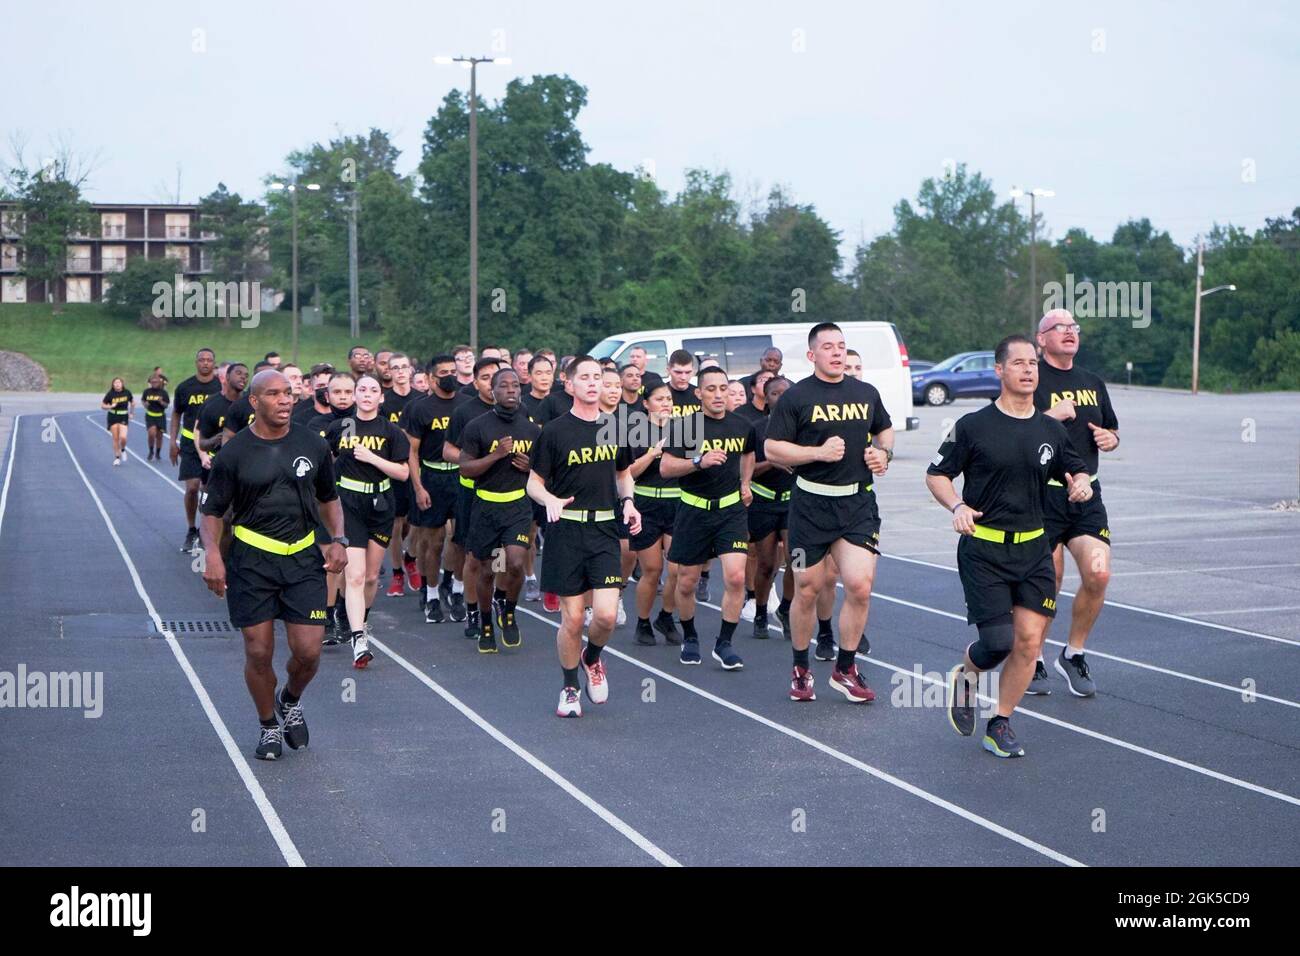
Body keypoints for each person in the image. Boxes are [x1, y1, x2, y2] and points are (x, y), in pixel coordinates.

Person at [927, 334, 1092, 758]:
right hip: (984, 550)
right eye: (1018, 363)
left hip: (1035, 550)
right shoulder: (972, 426)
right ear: (999, 370)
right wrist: (958, 505)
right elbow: (936, 474)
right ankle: (966, 675)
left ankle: (999, 722)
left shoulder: (1051, 429)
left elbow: (1076, 470)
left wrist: (1081, 485)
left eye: (1032, 363)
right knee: (999, 642)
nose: (1028, 370)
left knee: (1029, 642)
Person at [199, 369, 347, 760]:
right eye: (274, 394)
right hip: (252, 560)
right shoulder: (234, 453)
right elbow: (211, 512)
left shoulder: (312, 444)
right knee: (259, 651)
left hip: (303, 558)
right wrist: (212, 554)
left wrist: (338, 540)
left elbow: (329, 498)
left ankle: (290, 699)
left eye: (288, 393)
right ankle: (267, 725)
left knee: (309, 652)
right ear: (254, 401)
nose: (285, 400)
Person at [764, 322, 893, 704]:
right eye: (828, 347)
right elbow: (772, 448)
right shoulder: (796, 397)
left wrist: (883, 453)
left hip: (857, 504)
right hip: (809, 507)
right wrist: (817, 453)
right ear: (812, 355)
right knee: (807, 588)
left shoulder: (866, 392)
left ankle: (845, 668)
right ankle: (801, 668)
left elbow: (885, 431)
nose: (836, 352)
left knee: (860, 586)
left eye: (841, 345)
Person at [528, 355, 641, 718]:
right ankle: (569, 687)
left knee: (605, 616)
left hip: (605, 529)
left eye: (598, 377)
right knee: (573, 619)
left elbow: (623, 474)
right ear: (570, 385)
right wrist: (549, 500)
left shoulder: (615, 428)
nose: (593, 383)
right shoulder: (554, 432)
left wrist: (629, 502)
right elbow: (533, 484)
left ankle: (591, 657)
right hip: (567, 531)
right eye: (586, 378)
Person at [1029, 309, 1119, 697]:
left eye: (1073, 327)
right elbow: (1013, 431)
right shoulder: (1031, 378)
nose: (1070, 332)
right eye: (1060, 327)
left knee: (1098, 573)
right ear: (1041, 339)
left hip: (1086, 493)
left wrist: (1111, 439)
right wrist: (1052, 416)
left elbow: (1111, 427)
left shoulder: (1092, 382)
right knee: (1048, 580)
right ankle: (1032, 658)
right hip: (1042, 495)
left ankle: (1073, 653)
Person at [659, 366, 754, 669]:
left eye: (723, 388)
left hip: (731, 510)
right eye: (711, 389)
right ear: (699, 393)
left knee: (736, 577)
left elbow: (748, 453)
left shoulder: (742, 425)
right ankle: (689, 637)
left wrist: (746, 483)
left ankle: (724, 643)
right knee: (686, 582)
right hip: (693, 510)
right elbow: (666, 468)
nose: (718, 395)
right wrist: (699, 461)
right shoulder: (685, 427)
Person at [324, 373, 410, 668]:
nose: (367, 394)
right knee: (356, 576)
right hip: (348, 503)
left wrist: (372, 458)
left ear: (381, 397)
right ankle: (359, 638)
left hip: (381, 503)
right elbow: (326, 460)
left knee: (372, 577)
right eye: (362, 389)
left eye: (373, 390)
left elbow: (403, 473)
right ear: (355, 395)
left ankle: (356, 617)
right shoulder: (339, 427)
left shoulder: (392, 431)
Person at [458, 368, 540, 653]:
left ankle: (508, 610)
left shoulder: (531, 430)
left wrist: (530, 467)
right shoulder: (478, 427)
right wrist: (495, 455)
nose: (511, 390)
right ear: (492, 391)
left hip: (517, 506)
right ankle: (485, 623)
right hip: (486, 507)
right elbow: (465, 468)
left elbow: (545, 472)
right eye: (503, 385)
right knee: (488, 571)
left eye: (515, 385)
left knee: (515, 563)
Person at [443, 357, 502, 638]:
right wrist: (477, 461)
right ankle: (472, 611)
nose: (492, 383)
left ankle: (497, 600)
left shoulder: (517, 411)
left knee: (501, 555)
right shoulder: (465, 412)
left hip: (507, 493)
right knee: (473, 556)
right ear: (475, 382)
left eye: (496, 376)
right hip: (473, 492)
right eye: (485, 377)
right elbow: (447, 451)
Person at [403, 356, 463, 624]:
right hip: (432, 476)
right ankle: (431, 595)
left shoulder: (467, 405)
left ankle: (456, 589)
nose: (450, 376)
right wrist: (418, 487)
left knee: (460, 539)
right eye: (444, 372)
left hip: (461, 477)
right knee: (433, 541)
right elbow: (411, 452)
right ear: (431, 378)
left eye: (453, 371)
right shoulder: (419, 408)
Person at [626, 382, 683, 645]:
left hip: (677, 504)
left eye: (668, 399)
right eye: (659, 399)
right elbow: (628, 473)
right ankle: (643, 622)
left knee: (678, 568)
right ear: (646, 403)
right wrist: (652, 454)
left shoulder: (682, 430)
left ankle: (666, 616)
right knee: (652, 569)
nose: (665, 404)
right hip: (646, 504)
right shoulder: (635, 431)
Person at [748, 376, 795, 639]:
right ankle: (760, 611)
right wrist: (772, 462)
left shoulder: (803, 427)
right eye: (775, 393)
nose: (781, 397)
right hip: (763, 502)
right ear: (766, 398)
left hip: (793, 503)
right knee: (766, 564)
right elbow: (747, 471)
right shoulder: (756, 429)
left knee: (797, 562)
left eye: (786, 392)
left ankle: (786, 609)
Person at [170, 348, 222, 554]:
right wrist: (172, 441)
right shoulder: (185, 387)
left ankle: (207, 530)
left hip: (214, 443)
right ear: (196, 362)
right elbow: (176, 414)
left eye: (209, 360)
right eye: (202, 360)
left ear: (214, 363)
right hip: (190, 444)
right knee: (192, 487)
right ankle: (192, 529)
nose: (205, 363)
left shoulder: (220, 386)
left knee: (208, 490)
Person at [380, 353, 421, 599]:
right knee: (395, 525)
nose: (400, 371)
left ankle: (411, 558)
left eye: (404, 367)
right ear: (390, 372)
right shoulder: (385, 403)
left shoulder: (420, 400)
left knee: (415, 523)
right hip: (394, 468)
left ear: (411, 370)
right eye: (395, 368)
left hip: (417, 467)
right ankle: (397, 574)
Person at [101, 377, 133, 465]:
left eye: (119, 382)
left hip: (123, 416)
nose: (117, 384)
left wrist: (131, 413)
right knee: (115, 438)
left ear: (122, 384)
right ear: (113, 385)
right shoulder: (110, 394)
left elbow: (133, 403)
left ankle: (123, 449)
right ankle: (117, 458)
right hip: (113, 416)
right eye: (115, 383)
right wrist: (110, 406)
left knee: (123, 437)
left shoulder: (127, 392)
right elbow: (103, 405)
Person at [141, 374, 169, 460]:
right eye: (152, 382)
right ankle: (151, 451)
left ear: (159, 382)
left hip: (160, 416)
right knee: (151, 433)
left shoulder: (163, 392)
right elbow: (143, 400)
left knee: (159, 436)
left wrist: (161, 402)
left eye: (156, 382)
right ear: (150, 383)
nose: (154, 383)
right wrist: (145, 404)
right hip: (150, 415)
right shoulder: (147, 391)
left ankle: (158, 452)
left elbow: (166, 405)